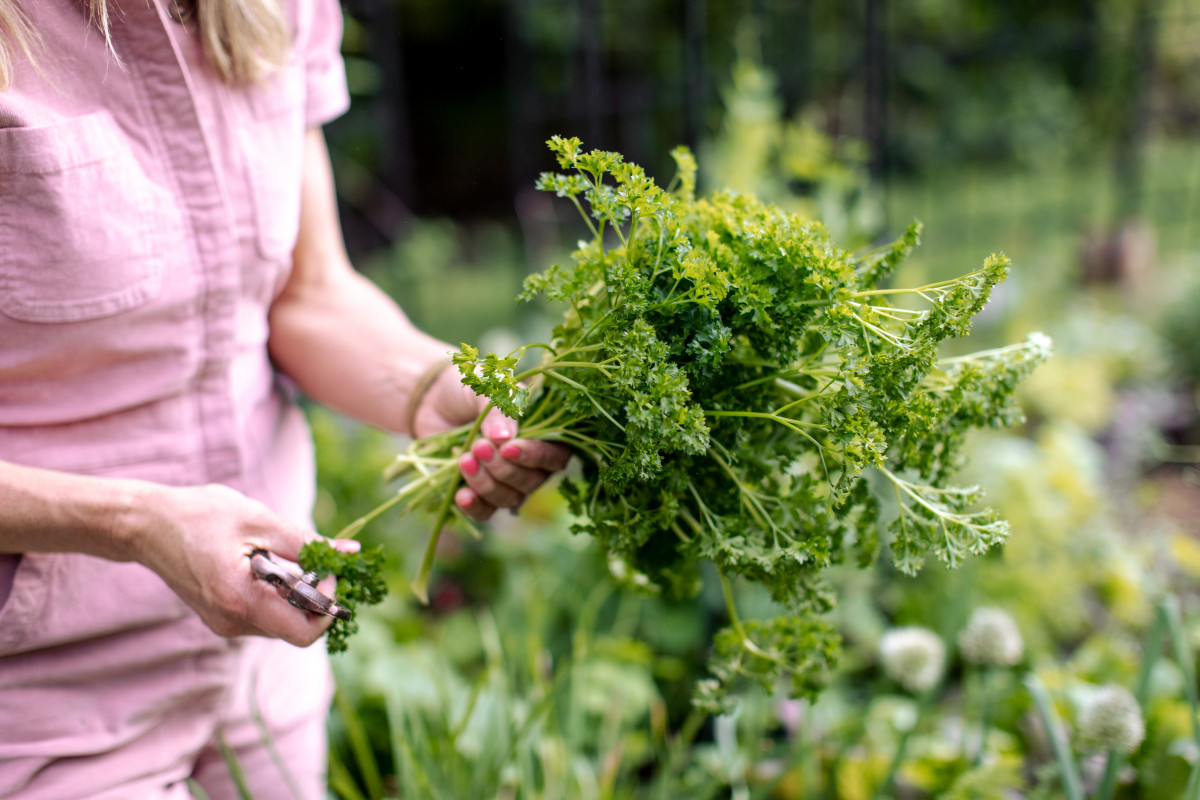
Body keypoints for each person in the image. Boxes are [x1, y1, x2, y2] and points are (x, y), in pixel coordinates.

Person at [0, 0, 571, 797]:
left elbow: (307, 295)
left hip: (268, 657)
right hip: (42, 696)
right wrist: (137, 523)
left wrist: (441, 387)